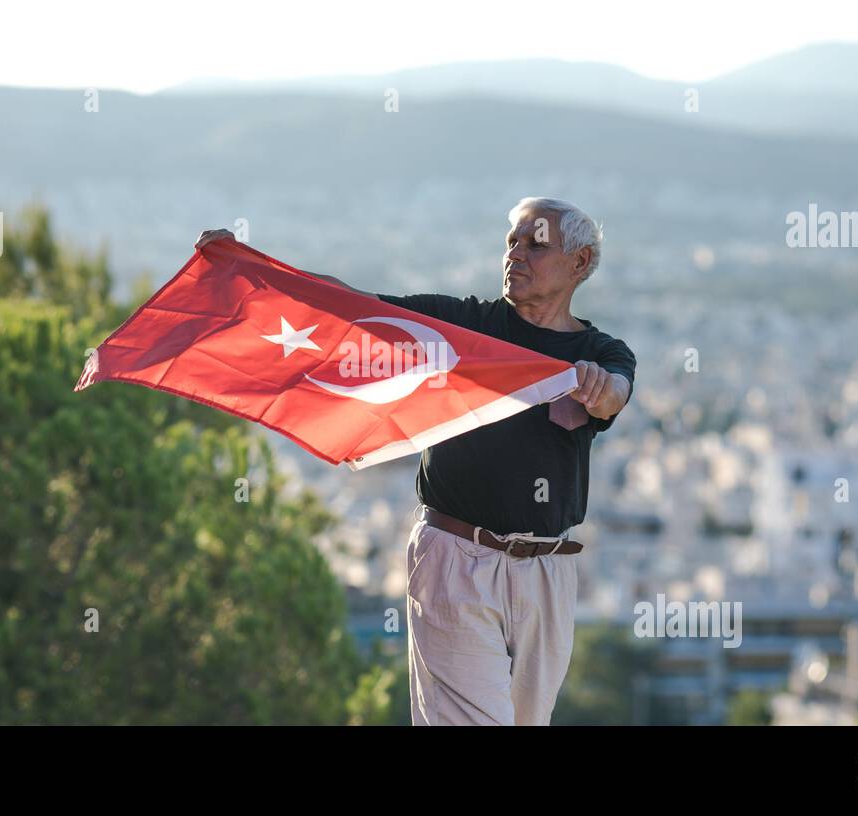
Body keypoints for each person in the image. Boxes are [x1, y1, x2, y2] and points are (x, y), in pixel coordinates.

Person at [195, 196, 636, 725]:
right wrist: (251, 269)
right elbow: (352, 305)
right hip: (458, 559)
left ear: (580, 263)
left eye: (536, 244)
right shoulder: (459, 327)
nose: (516, 254)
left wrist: (594, 388)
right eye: (512, 242)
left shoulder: (601, 352)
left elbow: (614, 393)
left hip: (548, 573)